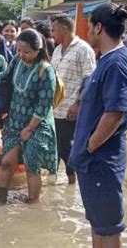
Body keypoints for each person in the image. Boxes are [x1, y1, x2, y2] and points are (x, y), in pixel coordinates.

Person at [69, 3, 127, 247]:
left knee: (108, 232)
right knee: (99, 228)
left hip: (102, 161)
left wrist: (89, 148)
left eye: (88, 27)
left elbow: (115, 113)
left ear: (99, 27)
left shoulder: (117, 62)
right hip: (95, 161)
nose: (86, 32)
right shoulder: (108, 59)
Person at [0, 29, 57, 203]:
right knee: (6, 162)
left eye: (27, 52)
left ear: (38, 51)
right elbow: (4, 76)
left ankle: (32, 203)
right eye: (19, 50)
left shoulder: (45, 71)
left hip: (37, 125)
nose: (22, 55)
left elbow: (44, 104)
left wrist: (30, 128)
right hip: (15, 120)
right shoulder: (17, 61)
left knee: (32, 167)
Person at [50, 13, 96, 184]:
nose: (52, 33)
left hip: (72, 111)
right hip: (54, 109)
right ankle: (52, 181)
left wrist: (78, 104)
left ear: (64, 29)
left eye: (54, 30)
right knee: (54, 147)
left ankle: (72, 183)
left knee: (68, 149)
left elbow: (90, 80)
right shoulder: (56, 50)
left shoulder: (83, 49)